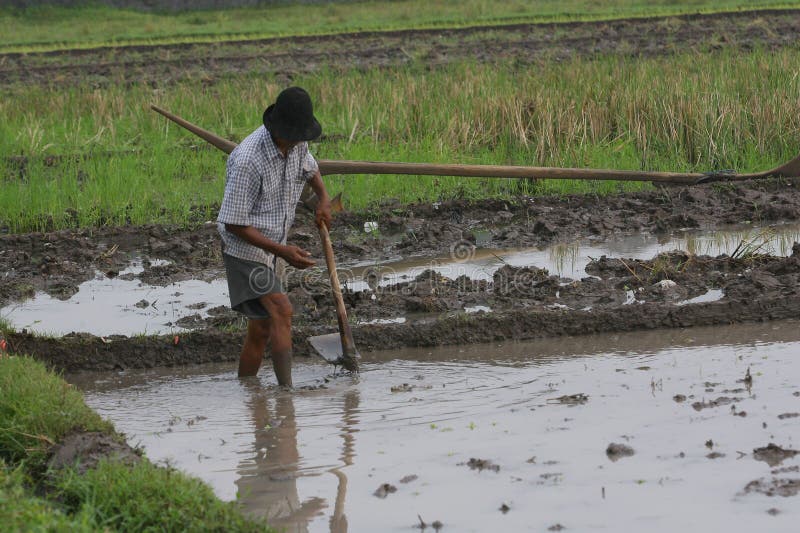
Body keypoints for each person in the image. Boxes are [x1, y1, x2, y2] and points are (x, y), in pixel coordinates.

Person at [218, 86, 332, 386]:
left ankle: (247, 390)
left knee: (262, 328)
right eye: (294, 136)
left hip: (273, 246)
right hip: (245, 250)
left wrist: (323, 197)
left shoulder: (297, 144)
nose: (299, 142)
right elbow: (234, 223)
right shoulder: (248, 161)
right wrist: (282, 252)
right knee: (282, 309)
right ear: (278, 128)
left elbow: (311, 169)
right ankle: (287, 396)